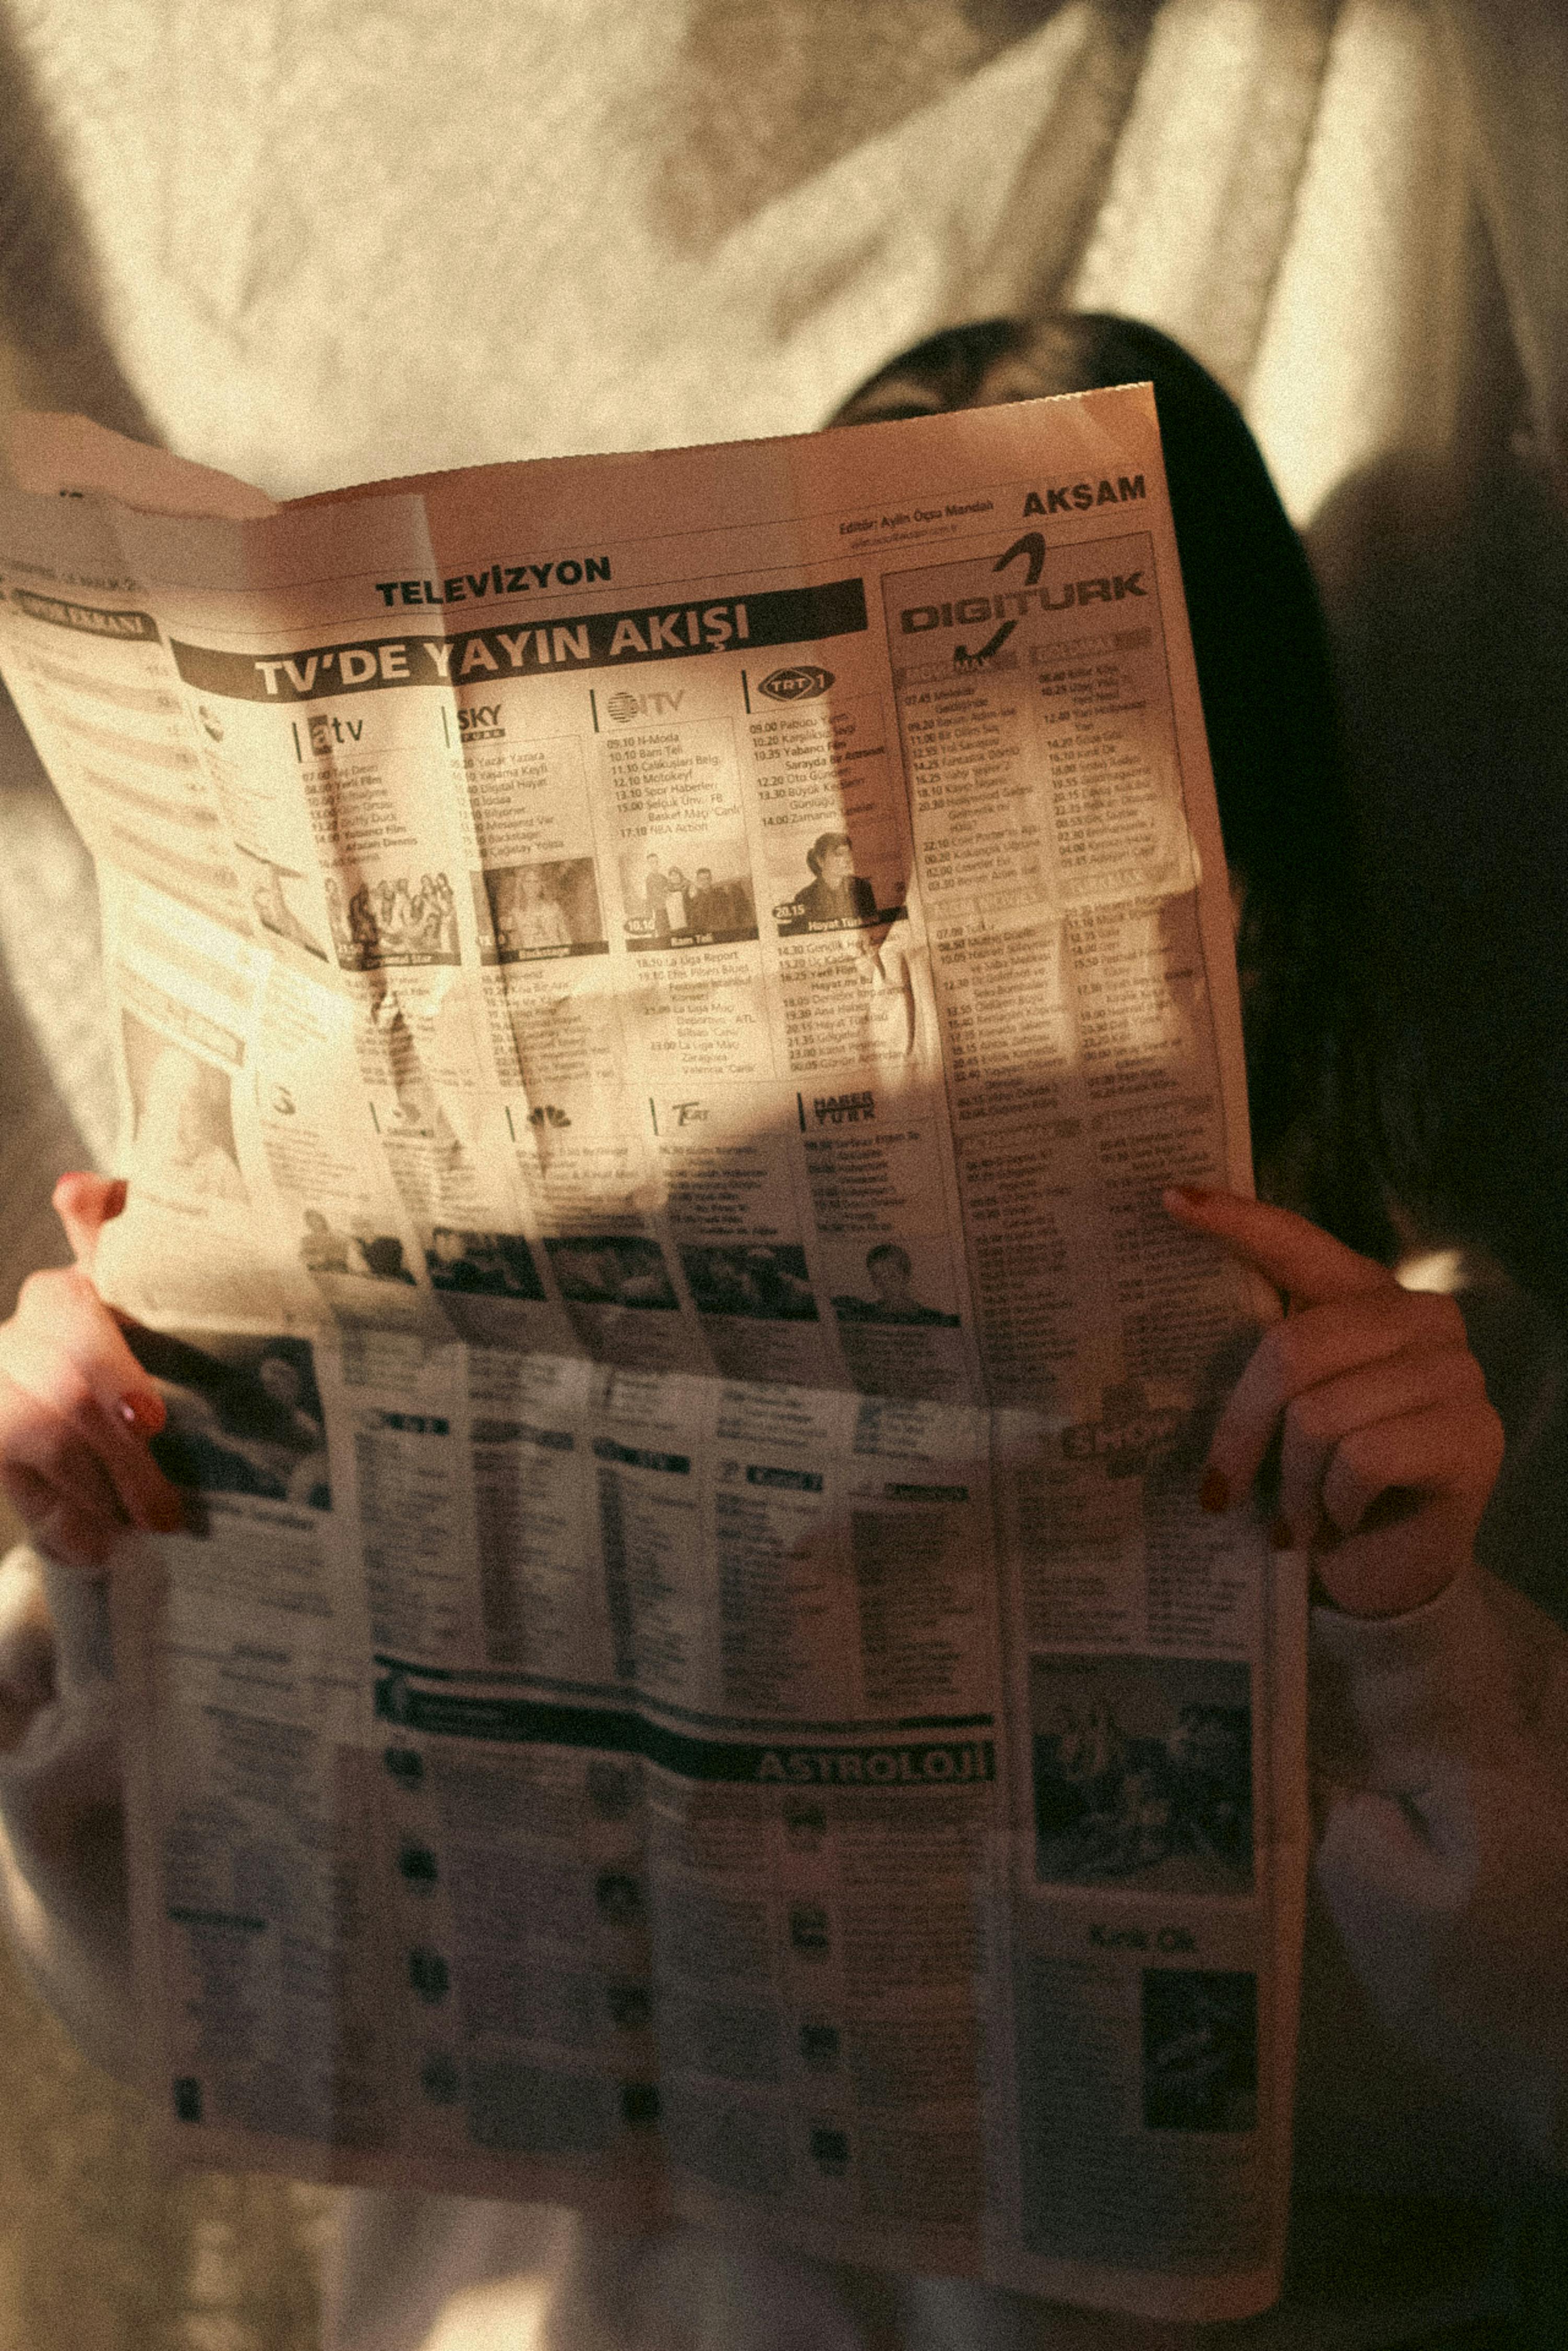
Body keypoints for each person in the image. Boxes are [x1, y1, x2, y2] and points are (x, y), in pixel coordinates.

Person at [0, 313, 1564, 2351]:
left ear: (1232, 851)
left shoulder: (1448, 1394)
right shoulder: (486, 1339)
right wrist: (110, 1544)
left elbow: (1514, 2108)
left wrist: (1413, 1635)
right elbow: (180, 2021)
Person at [797, 831, 877, 926]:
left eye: (848, 853)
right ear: (821, 861)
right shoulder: (804, 898)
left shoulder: (863, 888)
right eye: (839, 854)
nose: (848, 860)